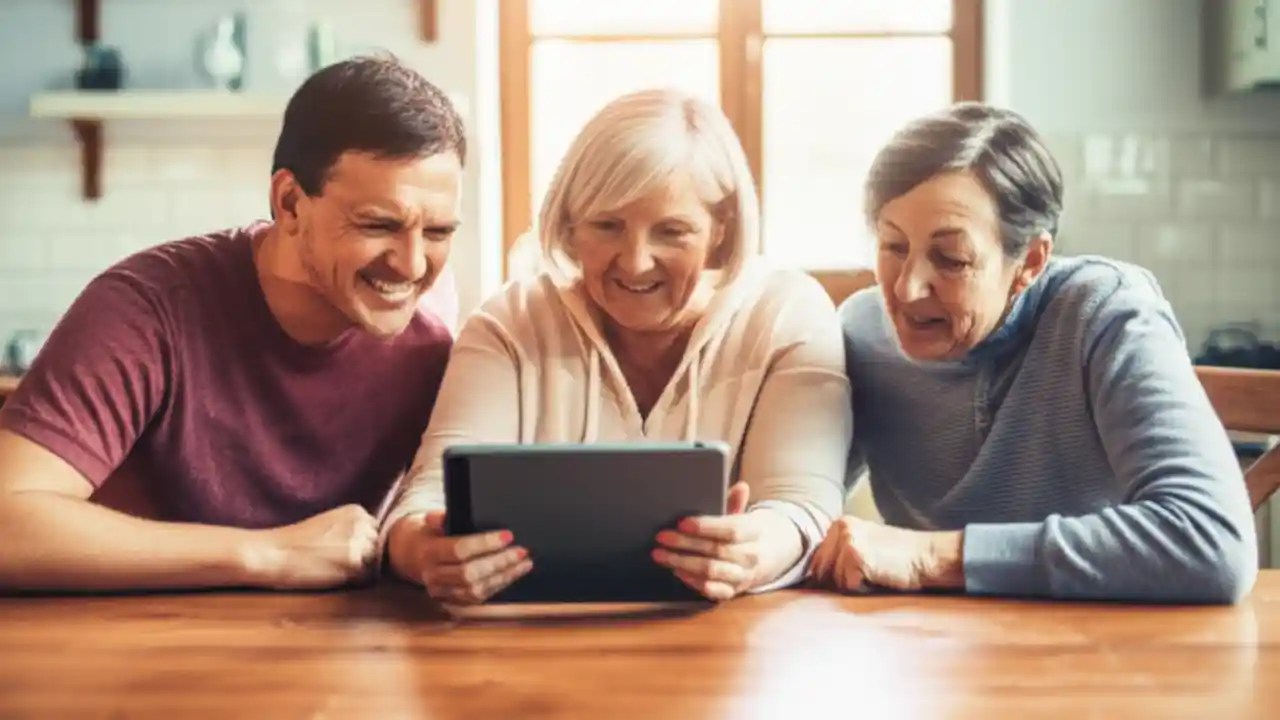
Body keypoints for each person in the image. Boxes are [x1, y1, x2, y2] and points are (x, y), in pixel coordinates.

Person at [0, 56, 464, 592]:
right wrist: (268, 555)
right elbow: (8, 523)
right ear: (289, 204)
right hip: (133, 652)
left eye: (437, 232)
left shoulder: (431, 341)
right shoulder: (147, 309)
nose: (410, 265)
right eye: (379, 224)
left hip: (334, 658)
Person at [382, 88, 852, 605]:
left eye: (672, 232)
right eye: (607, 226)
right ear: (570, 222)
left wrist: (750, 552)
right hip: (527, 649)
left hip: (733, 647)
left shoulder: (786, 313)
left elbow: (803, 508)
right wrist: (424, 554)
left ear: (721, 229)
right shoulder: (508, 324)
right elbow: (421, 506)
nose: (634, 262)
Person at [811, 102, 1257, 603]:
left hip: (1104, 655)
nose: (909, 289)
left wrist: (931, 556)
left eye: (952, 259)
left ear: (1030, 261)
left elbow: (1211, 542)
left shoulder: (1104, 313)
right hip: (926, 654)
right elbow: (798, 506)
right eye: (893, 247)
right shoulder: (861, 329)